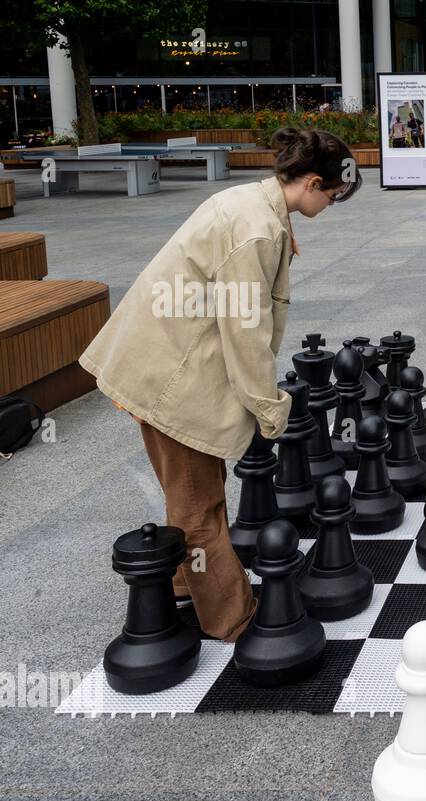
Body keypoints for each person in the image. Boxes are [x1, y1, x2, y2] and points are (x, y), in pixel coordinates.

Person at [78, 128, 361, 640]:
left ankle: (185, 584)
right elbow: (244, 329)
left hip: (168, 364)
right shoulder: (255, 227)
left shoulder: (254, 206)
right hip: (171, 377)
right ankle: (233, 617)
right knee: (198, 508)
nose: (330, 206)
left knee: (191, 494)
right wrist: (270, 407)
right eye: (333, 197)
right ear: (314, 182)